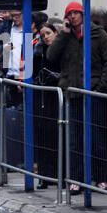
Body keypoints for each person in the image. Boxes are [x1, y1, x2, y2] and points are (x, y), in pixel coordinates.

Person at [46, 1, 107, 192]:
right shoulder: (65, 36)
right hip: (73, 94)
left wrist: (100, 86)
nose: (74, 16)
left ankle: (102, 178)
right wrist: (63, 35)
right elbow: (51, 56)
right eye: (71, 13)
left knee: (97, 139)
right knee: (75, 140)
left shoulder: (98, 34)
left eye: (77, 13)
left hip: (93, 93)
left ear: (83, 14)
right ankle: (76, 179)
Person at [31, 16, 62, 189]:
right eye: (43, 35)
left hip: (55, 99)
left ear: (56, 33)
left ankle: (57, 174)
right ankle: (44, 175)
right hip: (42, 99)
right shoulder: (39, 51)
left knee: (56, 137)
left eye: (48, 33)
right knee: (42, 138)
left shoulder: (60, 51)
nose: (46, 37)